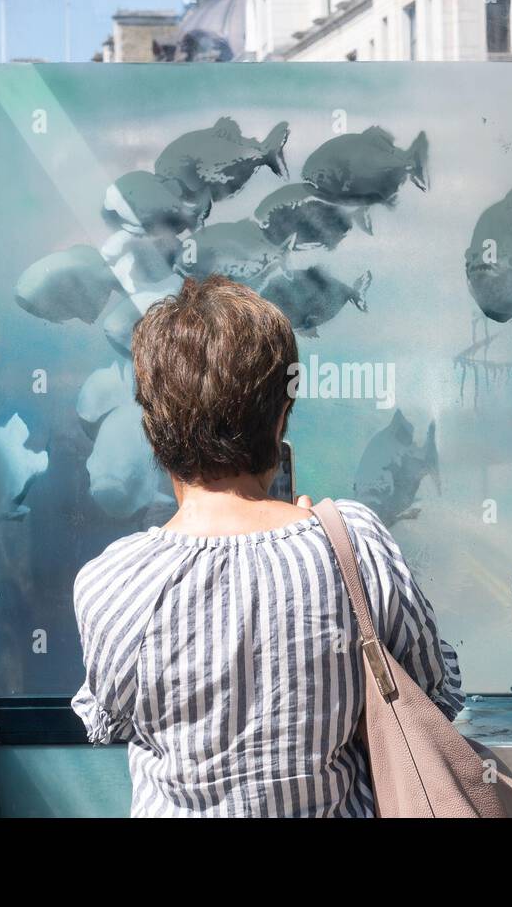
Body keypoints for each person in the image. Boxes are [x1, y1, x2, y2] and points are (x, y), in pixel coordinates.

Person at [71, 275, 464, 816]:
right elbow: (436, 694)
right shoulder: (355, 544)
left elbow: (111, 722)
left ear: (152, 425)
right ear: (280, 416)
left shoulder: (113, 582)